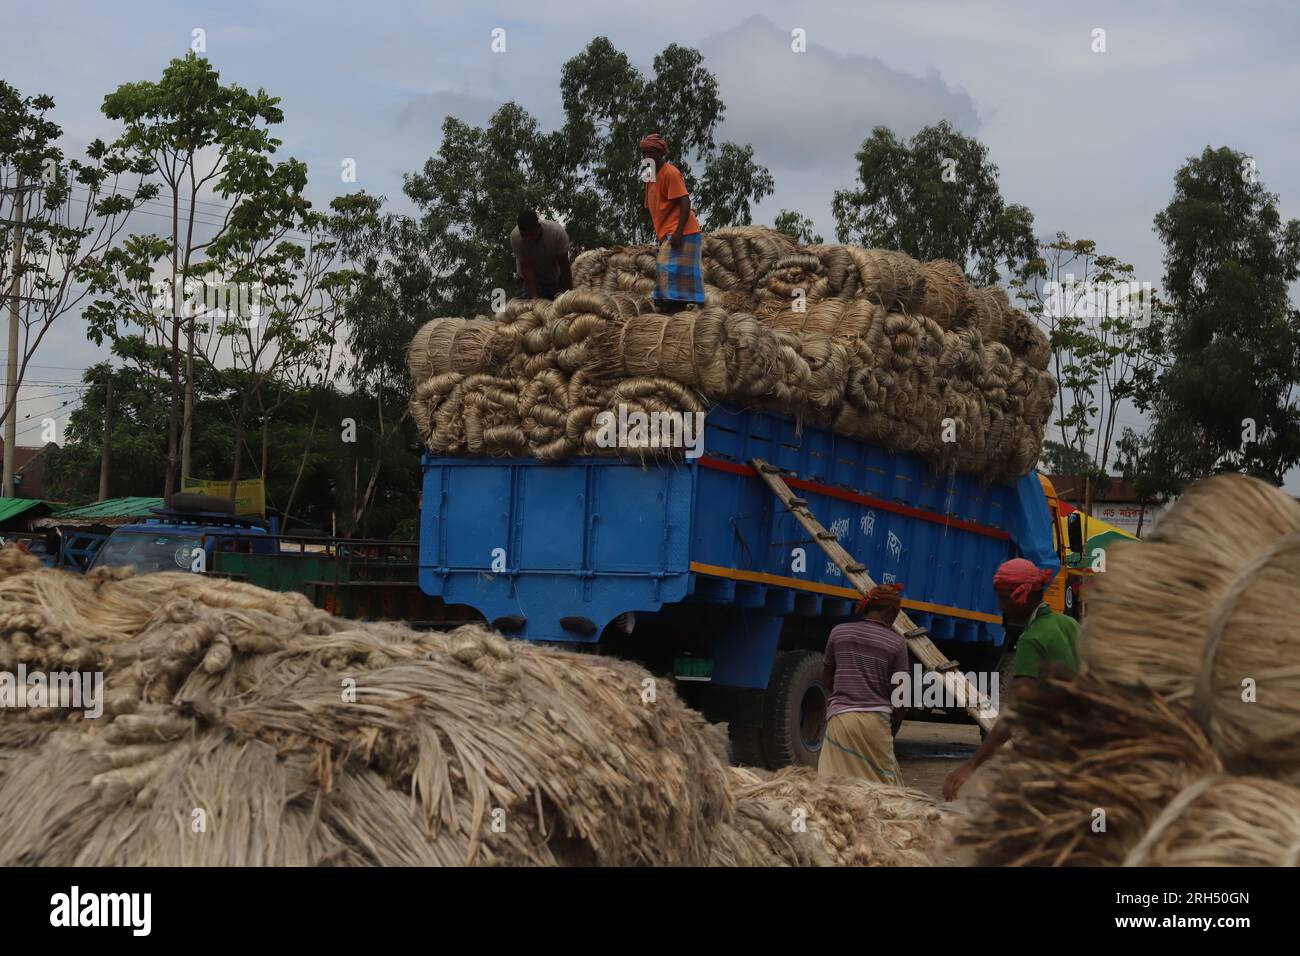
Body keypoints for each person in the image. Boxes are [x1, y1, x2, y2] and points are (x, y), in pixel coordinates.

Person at [942, 558, 1081, 800]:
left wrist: (972, 764)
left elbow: (1015, 712)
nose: (1001, 606)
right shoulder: (1069, 624)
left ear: (1022, 595)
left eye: (1005, 598)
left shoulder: (1031, 639)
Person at [817, 582, 910, 784]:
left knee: (833, 786)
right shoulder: (897, 644)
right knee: (882, 790)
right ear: (890, 612)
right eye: (897, 613)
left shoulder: (839, 632)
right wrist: (891, 731)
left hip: (841, 720)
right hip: (876, 723)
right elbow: (901, 699)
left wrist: (846, 695)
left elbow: (827, 679)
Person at [639, 132, 705, 313]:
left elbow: (685, 201)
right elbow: (653, 204)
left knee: (666, 267)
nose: (646, 157)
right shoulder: (649, 174)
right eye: (644, 153)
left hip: (683, 230)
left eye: (650, 152)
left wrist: (678, 232)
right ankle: (675, 307)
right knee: (674, 272)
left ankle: (672, 306)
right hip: (667, 231)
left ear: (661, 154)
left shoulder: (671, 173)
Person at [510, 210, 572, 299]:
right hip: (528, 279)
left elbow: (563, 264)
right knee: (527, 308)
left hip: (553, 277)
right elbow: (526, 268)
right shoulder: (515, 238)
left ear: (539, 227)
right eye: (524, 235)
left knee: (559, 305)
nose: (529, 239)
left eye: (531, 234)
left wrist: (568, 291)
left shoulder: (556, 233)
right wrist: (535, 298)